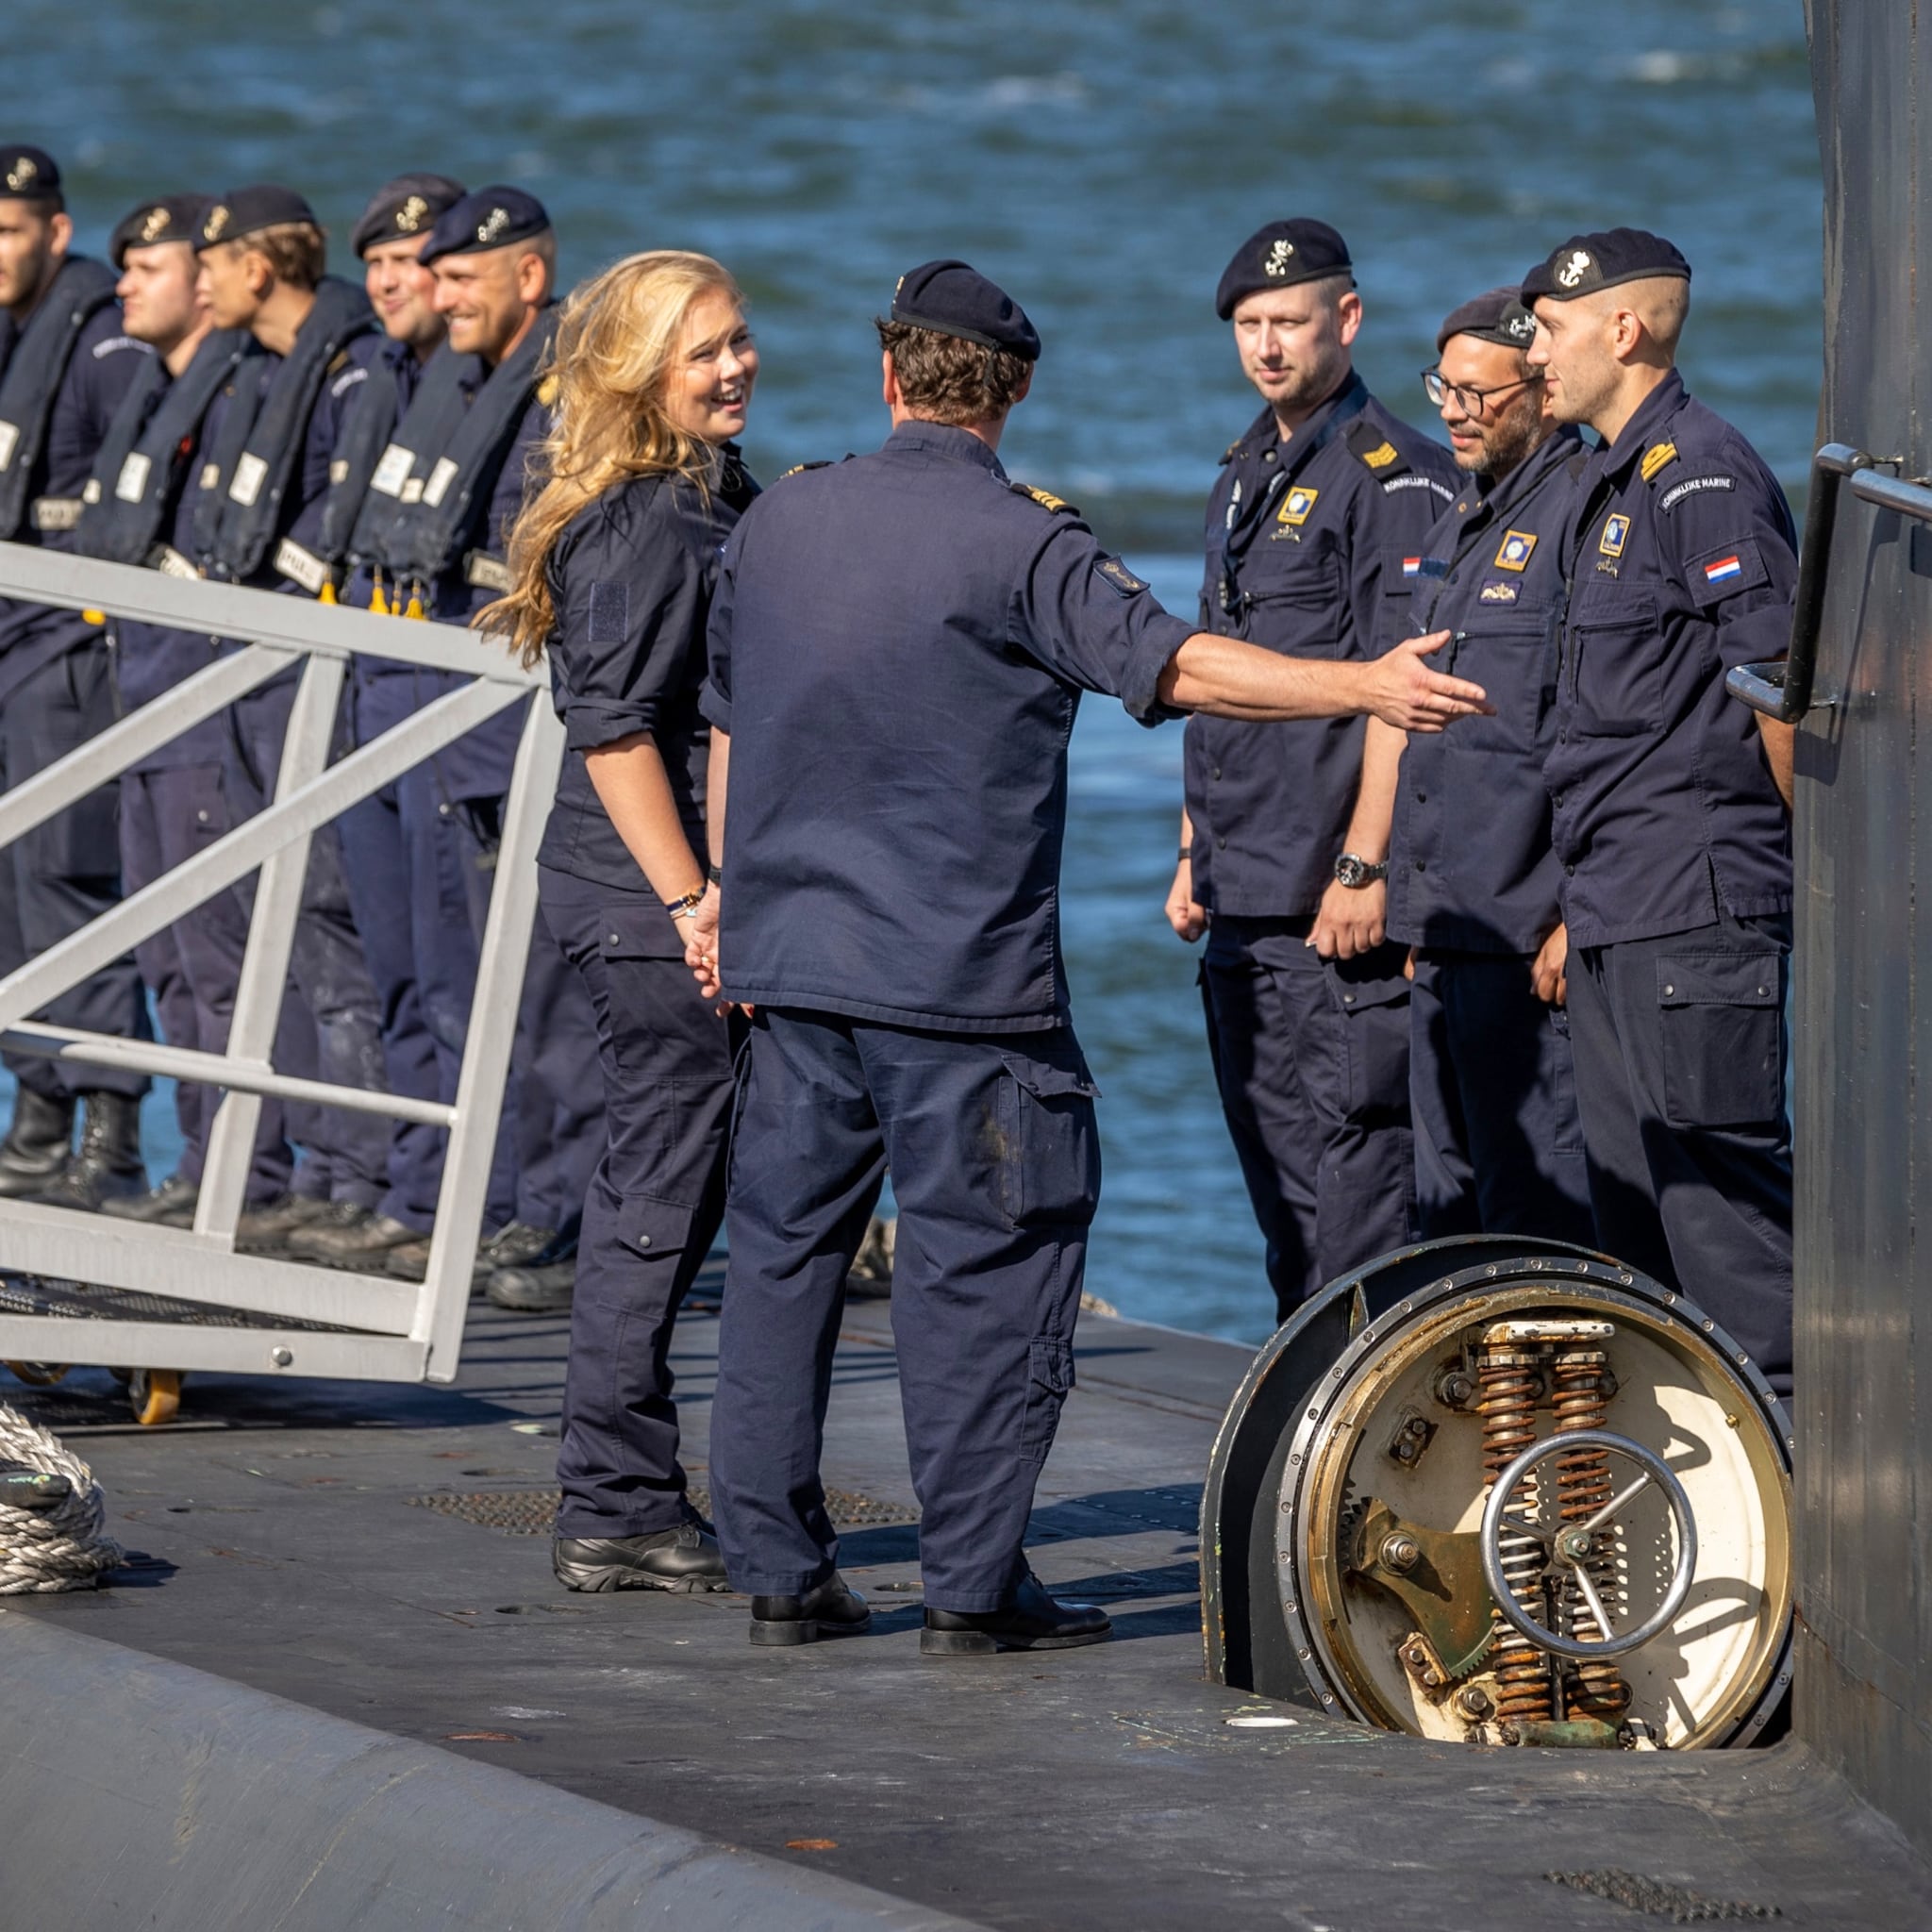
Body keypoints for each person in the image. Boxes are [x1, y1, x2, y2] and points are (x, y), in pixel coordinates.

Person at [691, 259, 1489, 1652]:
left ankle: (775, 1572)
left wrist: (724, 910)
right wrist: (1362, 682)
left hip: (791, 966)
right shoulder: (1024, 542)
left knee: (777, 1263)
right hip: (958, 991)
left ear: (888, 379)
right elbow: (1178, 666)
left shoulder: (781, 519)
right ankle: (969, 1588)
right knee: (987, 1278)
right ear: (1011, 393)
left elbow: (727, 726)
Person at [480, 249, 758, 1592]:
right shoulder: (647, 521)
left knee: (672, 1190)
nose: (735, 365)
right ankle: (614, 1501)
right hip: (646, 898)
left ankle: (624, 1488)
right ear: (641, 375)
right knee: (655, 1197)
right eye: (703, 351)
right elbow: (612, 731)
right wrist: (694, 899)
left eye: (739, 339)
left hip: (660, 893)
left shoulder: (707, 493)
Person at [1169, 220, 1459, 1325]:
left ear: (1346, 318)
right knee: (1284, 1214)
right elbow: (1218, 676)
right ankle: (1302, 1413)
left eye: (1287, 321)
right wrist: (1190, 848)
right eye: (1248, 324)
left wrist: (1363, 864)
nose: (1266, 345)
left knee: (1357, 1202)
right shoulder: (1242, 472)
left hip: (1330, 904)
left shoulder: (1394, 478)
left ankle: (1358, 1418)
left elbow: (1404, 693)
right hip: (1241, 888)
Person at [1523, 227, 1797, 1387]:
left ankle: (1810, 1485)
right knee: (1634, 1242)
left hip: (1694, 907)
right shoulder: (1608, 480)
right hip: (1618, 907)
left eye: (1548, 330)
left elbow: (1778, 687)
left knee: (1725, 1236)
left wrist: (1816, 868)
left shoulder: (1699, 475)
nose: (1532, 354)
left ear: (1622, 330)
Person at [321, 184, 601, 1293]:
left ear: (530, 276)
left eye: (458, 278)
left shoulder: (563, 396)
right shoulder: (459, 382)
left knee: (526, 989)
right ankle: (453, 1196)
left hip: (502, 717)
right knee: (428, 975)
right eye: (428, 277)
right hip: (422, 702)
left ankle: (551, 1212)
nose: (437, 298)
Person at [75, 192, 298, 1229]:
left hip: (207, 706)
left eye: (153, 266)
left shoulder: (246, 388)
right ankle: (206, 1165)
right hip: (145, 695)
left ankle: (249, 1178)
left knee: (219, 957)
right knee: (168, 956)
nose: (127, 282)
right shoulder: (164, 390)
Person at [188, 185, 396, 1251]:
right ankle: (317, 1162)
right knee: (277, 919)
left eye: (211, 264)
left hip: (310, 677)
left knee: (325, 917)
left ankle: (358, 1168)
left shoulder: (348, 372)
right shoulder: (265, 370)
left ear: (259, 267)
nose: (199, 285)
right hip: (249, 668)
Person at [1383, 288, 1594, 1244]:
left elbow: (1602, 738)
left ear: (1543, 389)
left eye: (1478, 394)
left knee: (1537, 1228)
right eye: (1443, 390)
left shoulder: (1581, 511)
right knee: (1449, 1224)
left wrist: (1575, 916)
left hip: (1528, 944)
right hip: (1448, 933)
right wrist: (1413, 907)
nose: (1455, 413)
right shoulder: (1460, 519)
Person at [308, 172, 473, 1263]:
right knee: (395, 965)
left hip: (449, 706)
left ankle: (468, 1204)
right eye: (372, 265)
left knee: (457, 972)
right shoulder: (375, 379)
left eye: (406, 263)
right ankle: (411, 1192)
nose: (386, 283)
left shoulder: (491, 386)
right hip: (372, 689)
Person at [0, 144, 156, 1208]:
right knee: (11, 888)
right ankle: (38, 1108)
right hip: (9, 643)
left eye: (9, 231)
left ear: (56, 232)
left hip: (66, 649)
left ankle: (111, 1127)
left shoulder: (103, 339)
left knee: (67, 877)